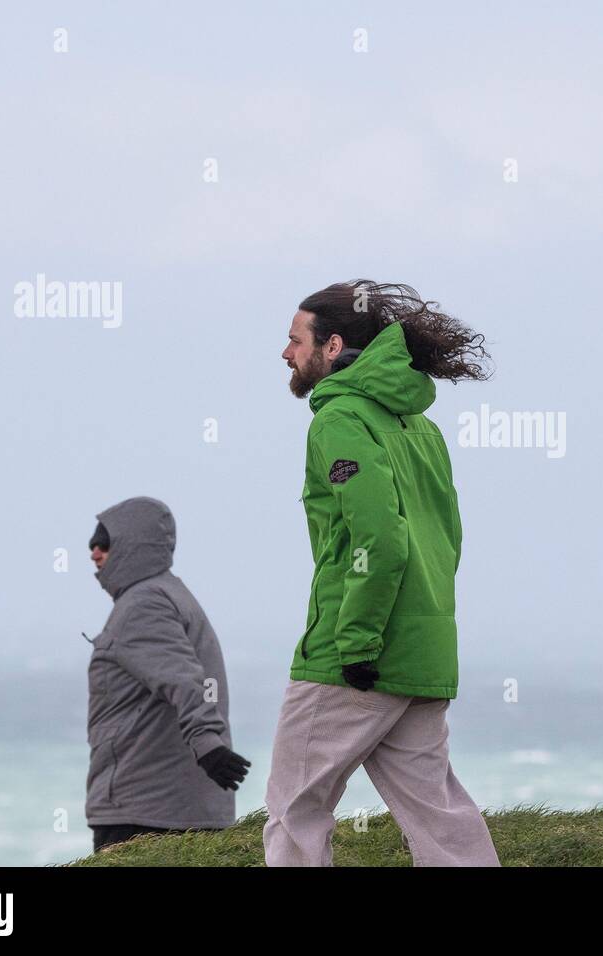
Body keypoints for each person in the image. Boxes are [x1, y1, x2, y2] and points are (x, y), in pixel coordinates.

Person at [264, 280, 499, 866]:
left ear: (333, 344)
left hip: (356, 656)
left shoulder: (339, 420)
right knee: (437, 814)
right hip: (422, 651)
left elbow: (379, 539)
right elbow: (446, 539)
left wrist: (357, 642)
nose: (285, 353)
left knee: (295, 806)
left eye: (295, 341)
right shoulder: (418, 425)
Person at [85, 496, 250, 853]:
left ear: (134, 545)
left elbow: (183, 680)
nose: (94, 552)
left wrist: (208, 745)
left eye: (105, 542)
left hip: (145, 811)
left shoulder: (143, 604)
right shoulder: (169, 594)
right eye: (92, 543)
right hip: (177, 807)